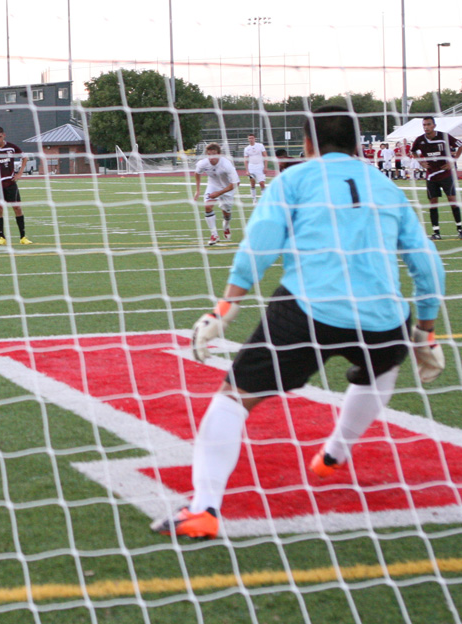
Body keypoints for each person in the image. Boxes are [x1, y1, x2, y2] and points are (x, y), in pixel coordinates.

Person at [152, 106, 446, 540]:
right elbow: (427, 265)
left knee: (233, 398)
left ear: (307, 145)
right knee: (381, 370)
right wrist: (425, 331)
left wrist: (224, 310)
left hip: (309, 309)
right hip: (384, 315)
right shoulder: (386, 187)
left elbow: (260, 246)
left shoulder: (293, 179)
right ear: (359, 146)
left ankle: (203, 509)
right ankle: (334, 454)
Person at [411, 116, 462, 241]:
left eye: (428, 124)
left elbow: (460, 145)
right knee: (433, 203)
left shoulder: (444, 136)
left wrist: (453, 161)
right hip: (431, 176)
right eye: (424, 125)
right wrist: (421, 162)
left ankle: (460, 230)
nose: (426, 127)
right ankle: (436, 232)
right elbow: (413, 151)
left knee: (452, 200)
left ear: (434, 125)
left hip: (446, 174)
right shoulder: (420, 140)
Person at [194, 143, 239, 246]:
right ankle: (214, 234)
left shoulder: (226, 165)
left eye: (213, 154)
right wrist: (198, 190)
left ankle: (226, 226)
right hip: (213, 185)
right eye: (209, 154)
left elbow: (235, 183)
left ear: (219, 154)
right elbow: (197, 173)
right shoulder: (203, 163)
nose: (211, 157)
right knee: (208, 207)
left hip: (228, 188)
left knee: (226, 213)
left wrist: (219, 193)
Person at [243, 134, 268, 202]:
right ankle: (254, 199)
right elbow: (245, 160)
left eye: (252, 138)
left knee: (262, 183)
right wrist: (247, 170)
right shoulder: (246, 148)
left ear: (254, 139)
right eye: (249, 138)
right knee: (252, 182)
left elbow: (265, 156)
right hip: (251, 167)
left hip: (260, 166)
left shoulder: (260, 146)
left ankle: (264, 199)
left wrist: (265, 167)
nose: (251, 139)